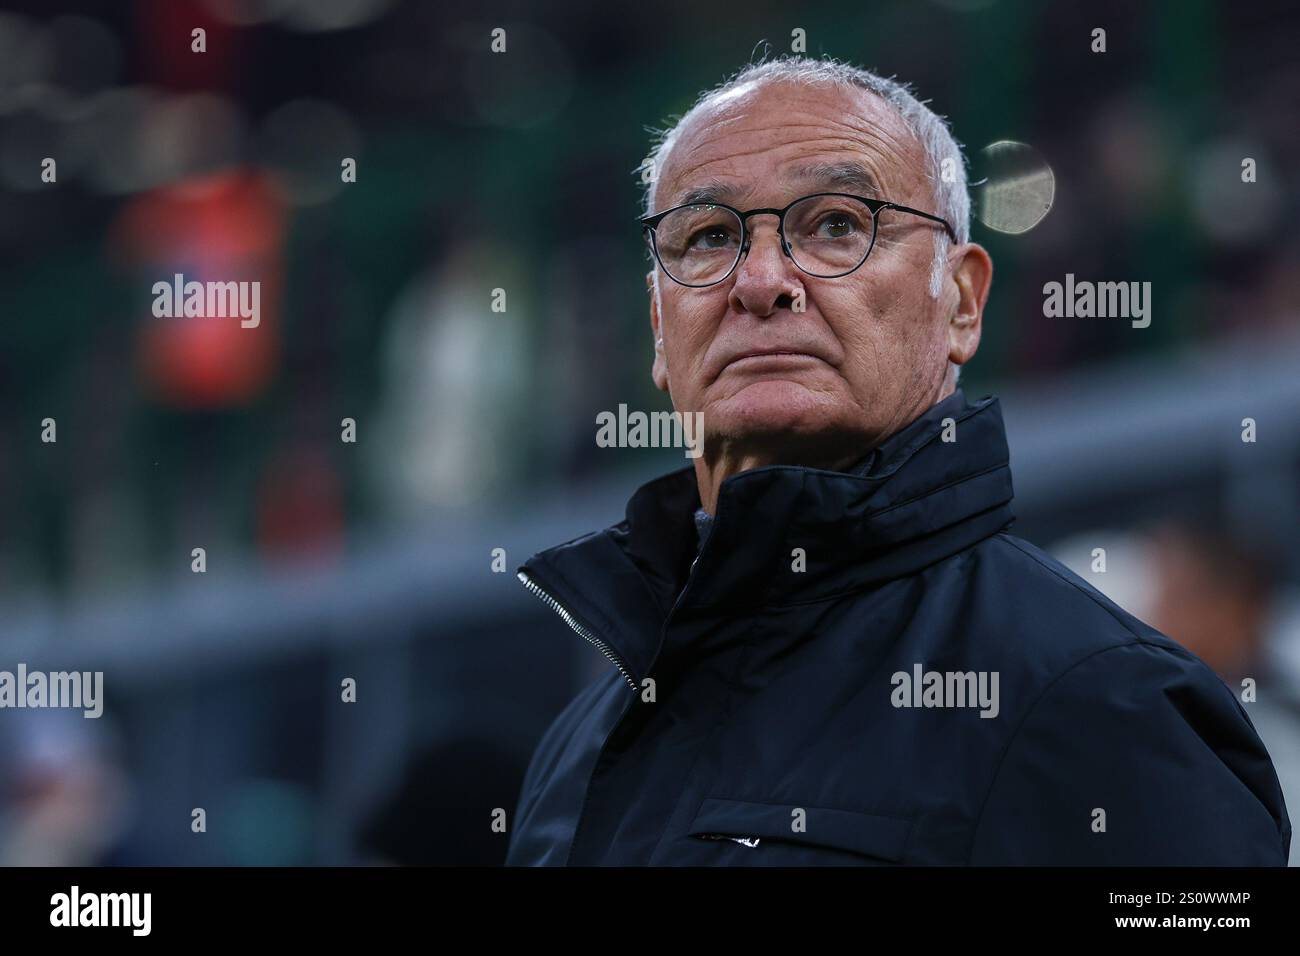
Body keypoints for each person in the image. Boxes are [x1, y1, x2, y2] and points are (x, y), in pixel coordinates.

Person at [506, 55, 1290, 865]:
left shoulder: (1099, 701)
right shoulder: (578, 746)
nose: (762, 280)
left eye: (836, 224)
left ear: (961, 302)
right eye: (709, 237)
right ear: (660, 330)